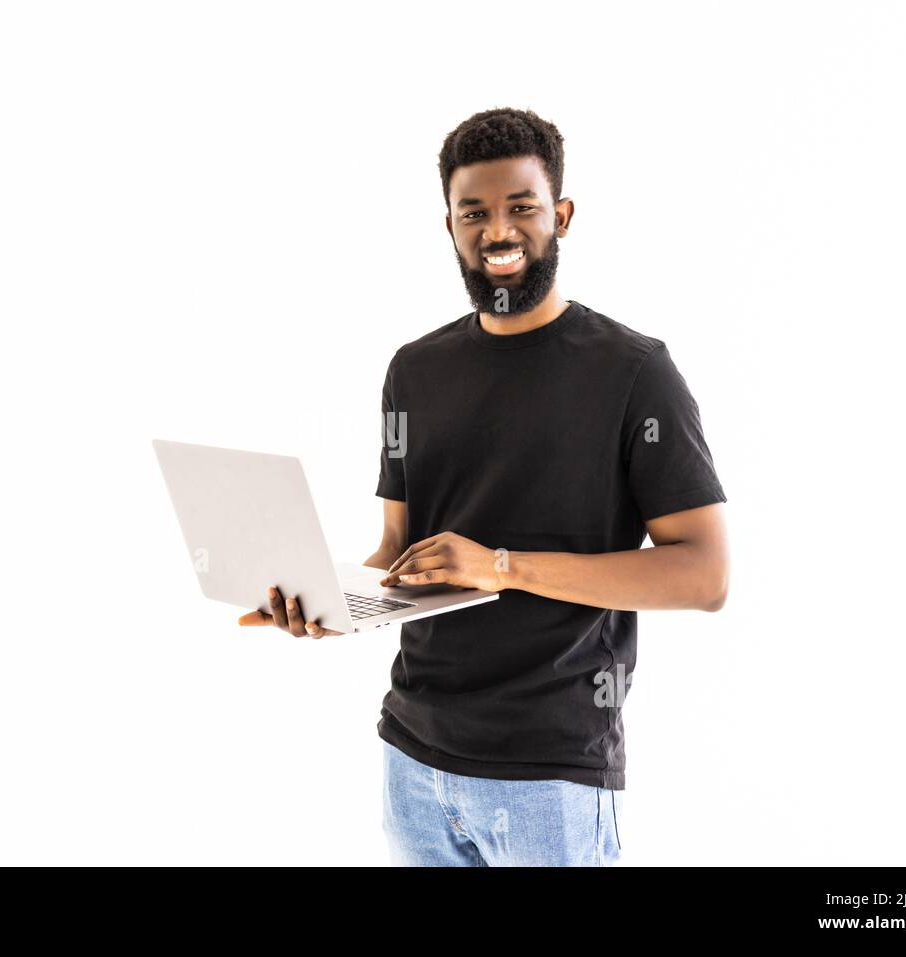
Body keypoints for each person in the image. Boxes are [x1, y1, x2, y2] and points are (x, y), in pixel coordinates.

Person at [241, 107, 729, 867]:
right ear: (450, 226)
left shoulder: (636, 373)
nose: (498, 231)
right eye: (475, 212)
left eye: (522, 208)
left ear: (561, 215)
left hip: (548, 773)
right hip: (412, 755)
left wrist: (500, 564)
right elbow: (399, 550)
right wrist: (326, 602)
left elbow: (705, 574)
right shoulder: (413, 369)